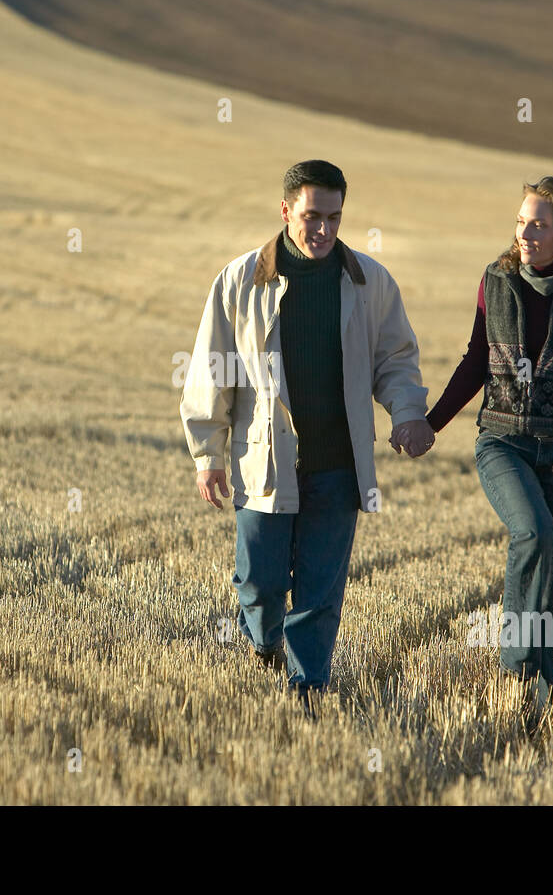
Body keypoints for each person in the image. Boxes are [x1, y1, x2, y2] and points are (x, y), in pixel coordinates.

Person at [179, 160, 434, 717]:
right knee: (260, 581)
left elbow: (396, 360)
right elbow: (212, 369)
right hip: (262, 463)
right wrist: (207, 454)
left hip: (339, 465)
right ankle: (266, 643)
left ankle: (307, 689)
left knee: (321, 588)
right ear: (286, 211)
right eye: (311, 216)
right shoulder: (241, 280)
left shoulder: (370, 282)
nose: (322, 230)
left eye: (334, 218)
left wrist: (408, 413)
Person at [425, 176, 553, 727]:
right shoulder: (497, 281)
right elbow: (476, 361)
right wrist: (432, 424)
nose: (526, 233)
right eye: (521, 221)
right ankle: (518, 670)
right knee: (534, 533)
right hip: (504, 440)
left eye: (539, 224)